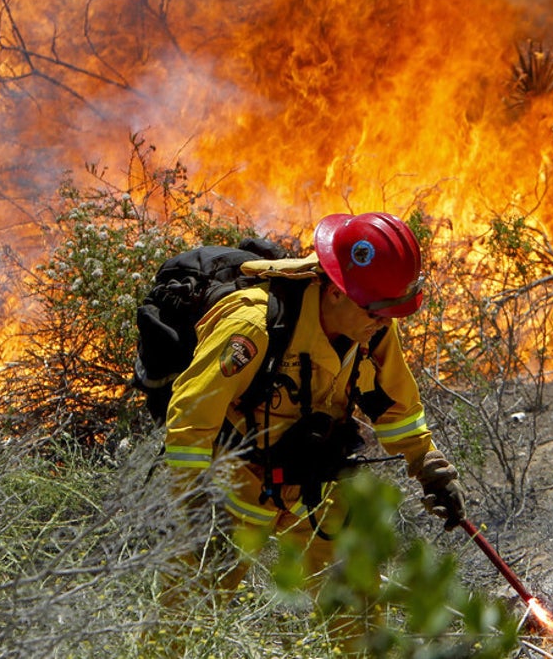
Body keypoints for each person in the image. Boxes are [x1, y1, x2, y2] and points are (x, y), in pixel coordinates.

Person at [161, 211, 467, 595]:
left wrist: (428, 467)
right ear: (337, 291)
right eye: (375, 313)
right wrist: (193, 507)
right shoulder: (253, 325)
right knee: (189, 609)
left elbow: (397, 410)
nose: (383, 324)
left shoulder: (372, 328)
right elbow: (190, 420)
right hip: (234, 483)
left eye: (389, 315)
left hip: (314, 481)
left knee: (358, 605)